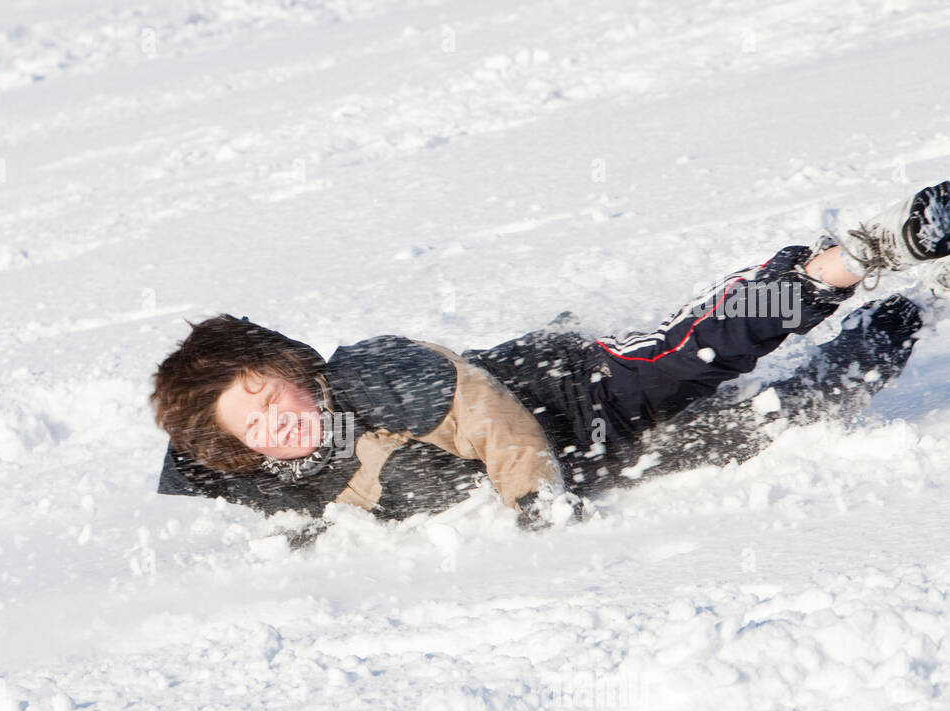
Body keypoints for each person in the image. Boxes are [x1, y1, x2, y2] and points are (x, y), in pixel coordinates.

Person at [150, 181, 950, 544]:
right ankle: (924, 304)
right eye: (254, 426)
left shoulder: (368, 377)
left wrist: (534, 502)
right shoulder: (276, 476)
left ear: (293, 369)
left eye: (271, 396)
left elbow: (488, 416)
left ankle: (863, 253)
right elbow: (213, 470)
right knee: (805, 407)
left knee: (699, 351)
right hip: (618, 462)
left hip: (591, 387)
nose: (278, 422)